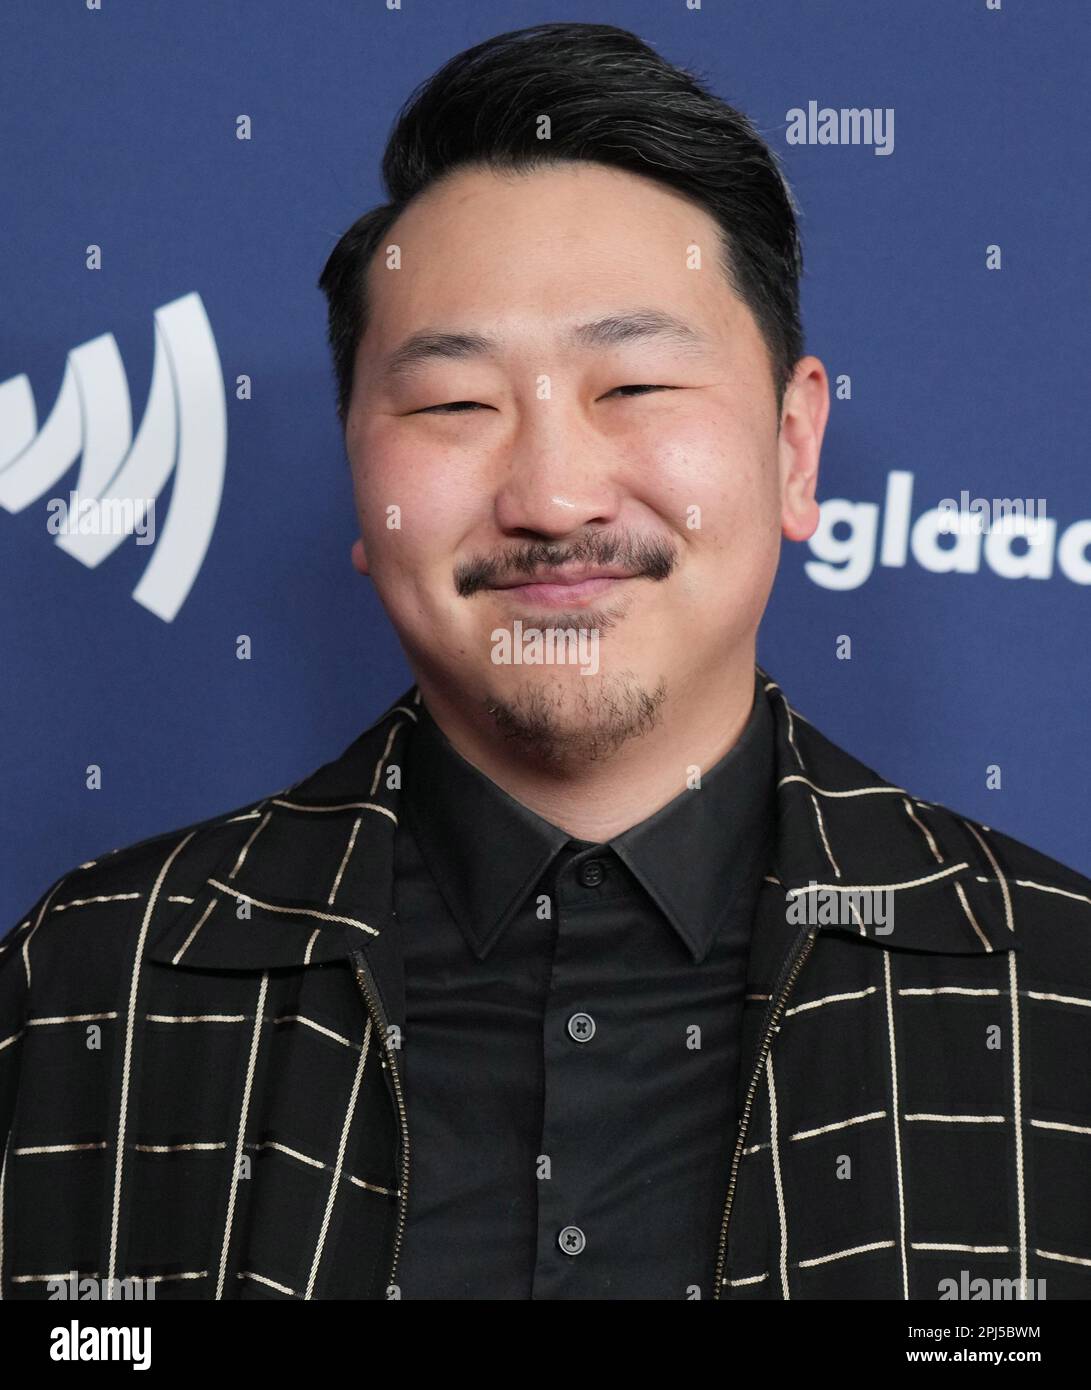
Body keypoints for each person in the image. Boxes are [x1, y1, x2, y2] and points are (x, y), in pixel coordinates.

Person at [2, 21, 1089, 1302]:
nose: (552, 495)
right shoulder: (91, 987)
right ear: (360, 478)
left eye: (630, 386)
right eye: (455, 405)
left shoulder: (1051, 991)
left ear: (793, 449)